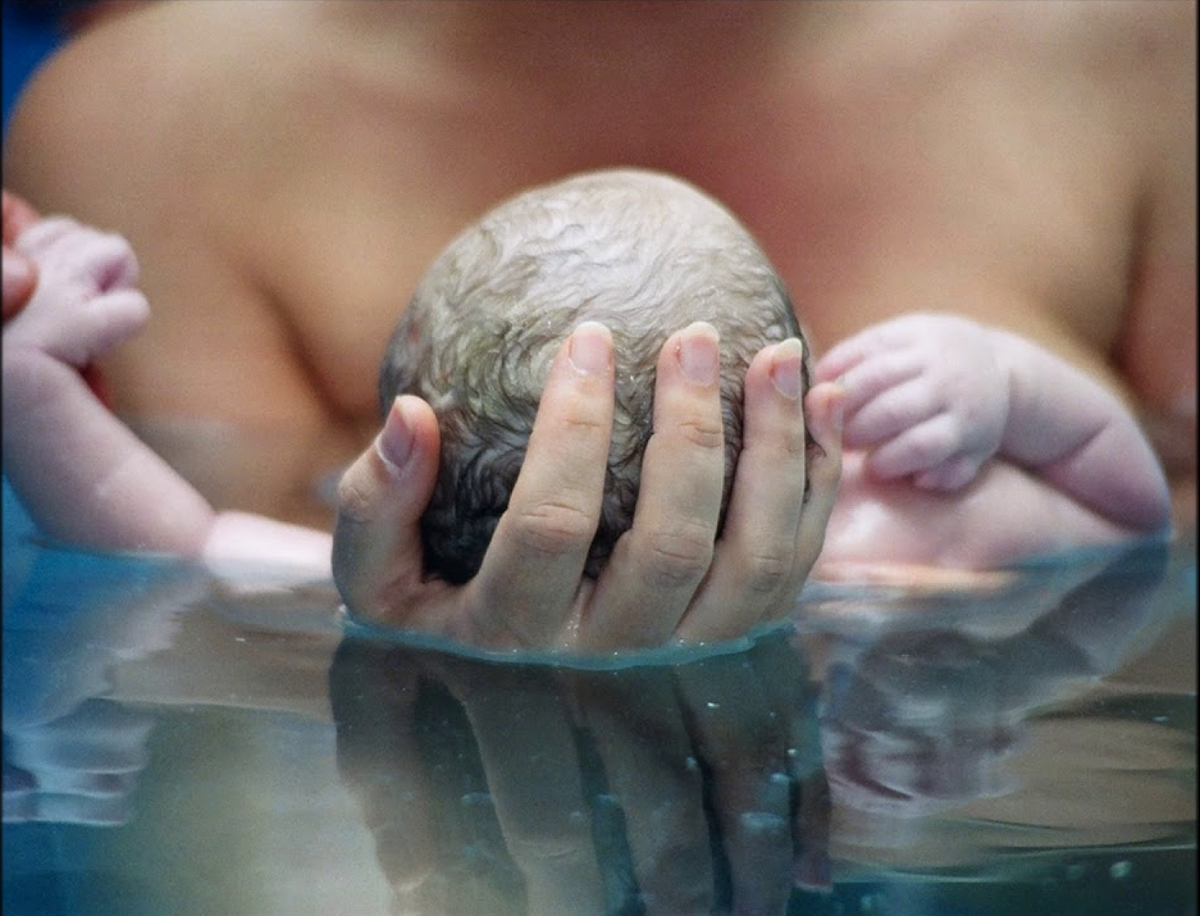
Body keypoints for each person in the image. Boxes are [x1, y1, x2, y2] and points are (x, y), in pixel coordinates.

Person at [2, 1, 1192, 646]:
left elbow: (179, 542)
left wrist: (32, 387)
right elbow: (1127, 510)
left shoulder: (370, 565)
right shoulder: (904, 520)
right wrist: (1005, 391)